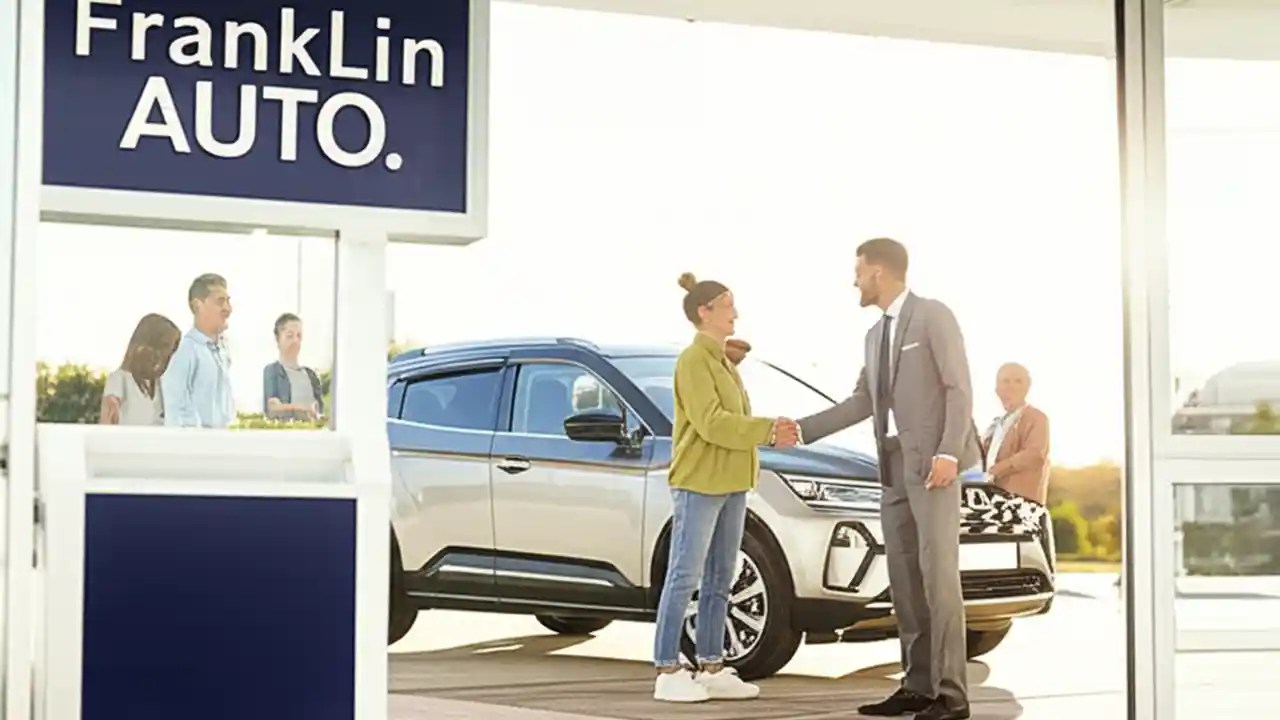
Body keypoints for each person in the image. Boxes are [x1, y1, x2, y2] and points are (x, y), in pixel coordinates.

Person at [796, 238, 977, 720]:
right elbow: (862, 401)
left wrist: (948, 452)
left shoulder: (933, 315)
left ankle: (951, 696)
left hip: (934, 468)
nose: (854, 280)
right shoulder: (874, 336)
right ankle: (917, 686)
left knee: (939, 580)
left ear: (879, 271)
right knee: (904, 581)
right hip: (892, 468)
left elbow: (959, 388)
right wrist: (802, 430)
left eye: (858, 271)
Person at [652, 272, 798, 704]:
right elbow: (712, 423)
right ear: (705, 311)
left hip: (733, 483)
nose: (736, 313)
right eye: (728, 305)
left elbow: (731, 420)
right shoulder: (692, 361)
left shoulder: (722, 362)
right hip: (699, 483)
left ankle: (712, 666)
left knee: (722, 576)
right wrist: (767, 431)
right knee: (684, 575)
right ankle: (667, 669)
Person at [162, 273, 235, 429]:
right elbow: (175, 410)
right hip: (196, 442)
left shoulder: (222, 350)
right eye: (220, 301)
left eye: (228, 301)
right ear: (197, 306)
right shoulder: (185, 351)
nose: (228, 309)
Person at [980, 363, 1051, 503]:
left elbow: (1035, 454)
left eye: (1018, 381)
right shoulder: (994, 426)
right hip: (992, 502)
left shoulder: (1036, 418)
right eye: (1006, 381)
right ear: (997, 389)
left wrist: (997, 469)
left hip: (1021, 505)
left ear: (1027, 387)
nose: (1011, 386)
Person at [100, 313, 181, 426]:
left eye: (172, 349)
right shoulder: (119, 379)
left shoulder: (159, 384)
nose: (168, 354)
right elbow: (106, 424)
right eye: (165, 345)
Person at [263, 313, 325, 421]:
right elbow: (272, 409)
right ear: (277, 339)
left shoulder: (311, 375)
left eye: (299, 336)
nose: (295, 341)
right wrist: (300, 409)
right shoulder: (273, 371)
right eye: (289, 336)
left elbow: (320, 409)